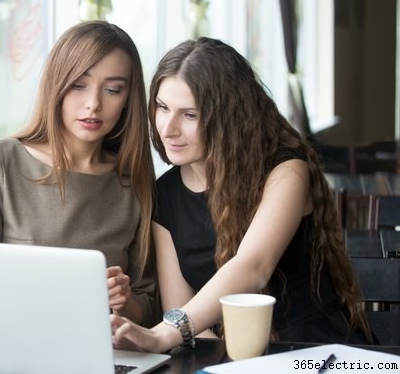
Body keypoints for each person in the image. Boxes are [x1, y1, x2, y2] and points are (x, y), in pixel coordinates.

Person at [111, 37, 374, 352]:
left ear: (228, 117)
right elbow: (180, 306)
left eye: (190, 115)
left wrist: (164, 334)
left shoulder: (286, 169)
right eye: (163, 108)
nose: (168, 128)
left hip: (315, 349)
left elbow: (253, 266)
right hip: (237, 356)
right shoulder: (164, 194)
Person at [0, 21, 158, 326]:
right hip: (11, 347)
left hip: (103, 355)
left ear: (128, 99)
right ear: (56, 85)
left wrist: (124, 303)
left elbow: (151, 303)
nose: (93, 104)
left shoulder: (133, 184)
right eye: (79, 84)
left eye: (113, 89)